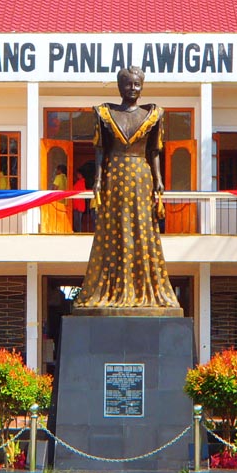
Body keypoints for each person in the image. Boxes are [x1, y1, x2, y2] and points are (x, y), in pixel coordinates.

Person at [73, 66, 181, 314]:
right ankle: (112, 288)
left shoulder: (153, 115)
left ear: (142, 87)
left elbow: (154, 151)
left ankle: (143, 288)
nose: (133, 88)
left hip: (141, 176)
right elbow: (100, 150)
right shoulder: (105, 113)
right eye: (128, 84)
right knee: (114, 228)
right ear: (119, 87)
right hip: (114, 175)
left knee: (142, 228)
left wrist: (158, 179)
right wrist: (98, 179)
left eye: (137, 84)